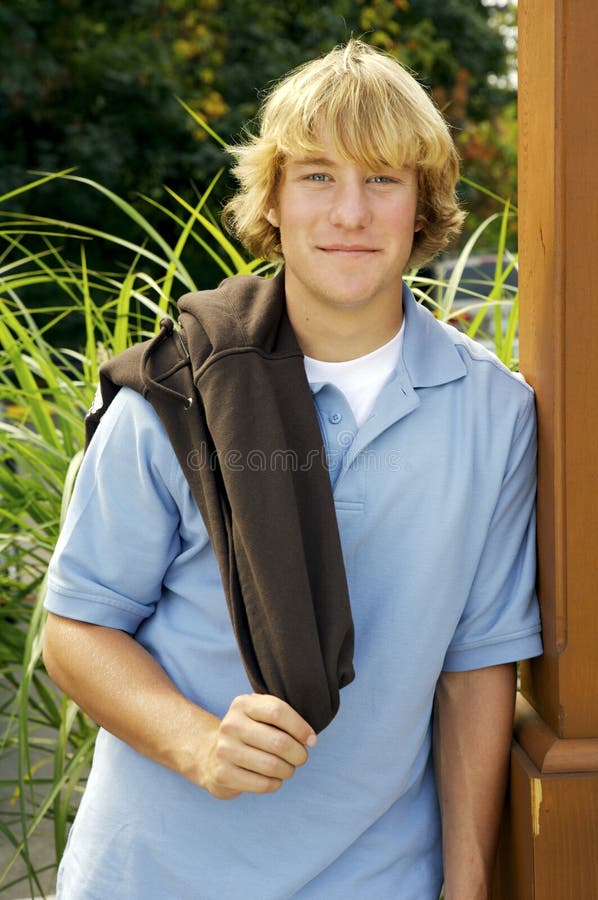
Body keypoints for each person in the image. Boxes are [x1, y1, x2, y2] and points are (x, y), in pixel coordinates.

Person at [43, 40, 542, 900]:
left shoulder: (493, 414)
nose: (350, 212)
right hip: (152, 875)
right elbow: (78, 630)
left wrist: (466, 888)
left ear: (423, 205)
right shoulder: (175, 392)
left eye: (383, 179)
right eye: (317, 177)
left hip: (379, 878)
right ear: (272, 199)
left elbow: (475, 667)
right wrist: (198, 741)